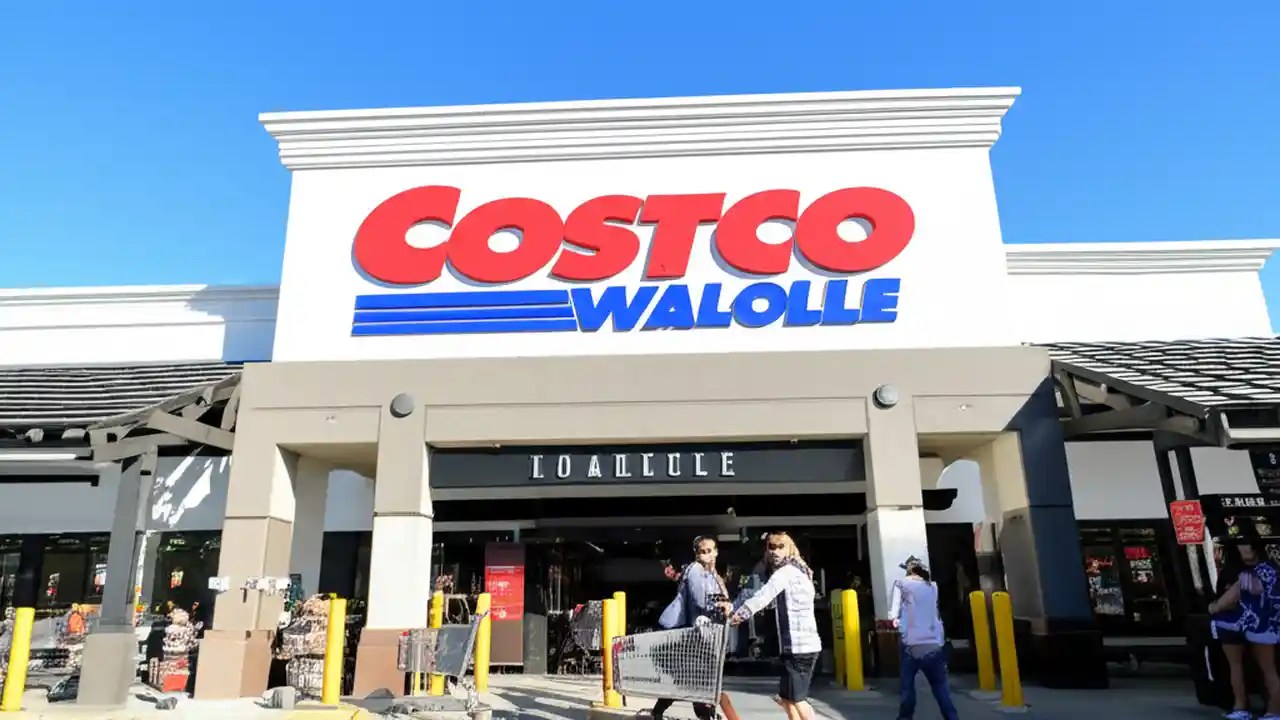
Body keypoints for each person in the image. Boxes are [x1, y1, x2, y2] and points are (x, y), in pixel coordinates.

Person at [721, 531, 821, 720]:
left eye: (780, 546)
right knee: (787, 698)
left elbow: (764, 595)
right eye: (771, 547)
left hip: (801, 646)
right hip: (795, 646)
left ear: (789, 548)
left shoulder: (788, 572)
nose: (775, 551)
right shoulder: (798, 569)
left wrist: (739, 615)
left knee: (798, 699)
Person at [650, 535, 726, 720]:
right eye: (702, 552)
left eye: (709, 551)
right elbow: (699, 600)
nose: (706, 555)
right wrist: (720, 608)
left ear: (716, 552)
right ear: (697, 554)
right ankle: (704, 715)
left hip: (700, 632)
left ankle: (660, 712)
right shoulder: (696, 570)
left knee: (687, 678)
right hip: (690, 631)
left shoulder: (711, 574)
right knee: (694, 677)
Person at [1208, 531, 1280, 720]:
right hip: (1264, 623)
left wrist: (1214, 607)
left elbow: (1230, 598)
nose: (1245, 548)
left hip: (1237, 622)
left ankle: (1243, 707)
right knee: (1267, 668)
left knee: (1238, 666)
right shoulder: (1271, 569)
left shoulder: (1241, 572)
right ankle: (1273, 709)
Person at [890, 556, 958, 720]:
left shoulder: (901, 584)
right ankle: (952, 718)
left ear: (909, 570)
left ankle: (905, 718)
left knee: (907, 688)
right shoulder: (932, 587)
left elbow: (893, 614)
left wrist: (898, 621)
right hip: (934, 644)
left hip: (911, 644)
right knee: (940, 688)